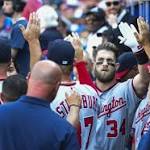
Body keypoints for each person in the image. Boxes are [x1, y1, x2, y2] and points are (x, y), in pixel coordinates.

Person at [20, 12, 99, 150]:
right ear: (72, 62)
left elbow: (36, 77)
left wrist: (33, 42)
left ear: (50, 62)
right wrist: (80, 61)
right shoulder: (90, 90)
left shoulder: (48, 94)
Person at [72, 17, 150, 150]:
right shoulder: (83, 91)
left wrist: (138, 50)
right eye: (100, 61)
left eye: (109, 61)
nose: (105, 64)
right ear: (93, 65)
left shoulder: (126, 89)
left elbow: (144, 79)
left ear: (117, 66)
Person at [0, 60, 80, 150]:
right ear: (57, 86)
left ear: (29, 77)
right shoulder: (63, 129)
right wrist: (74, 108)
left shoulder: (2, 113)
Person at [3, 0, 30, 77]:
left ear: (17, 6)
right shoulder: (21, 24)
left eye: (7, 4)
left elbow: (12, 54)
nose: (3, 6)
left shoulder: (19, 27)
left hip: (23, 73)